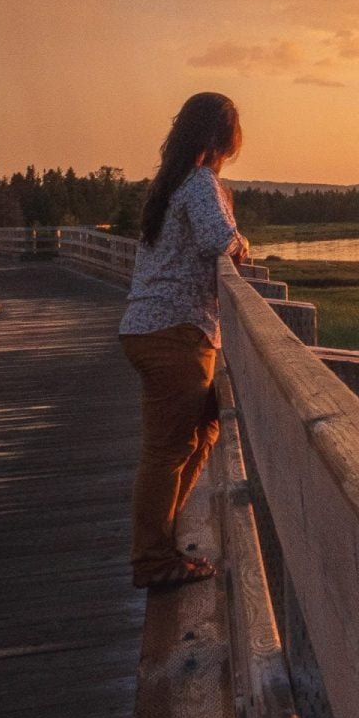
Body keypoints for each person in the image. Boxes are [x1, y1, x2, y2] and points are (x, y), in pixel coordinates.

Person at [118, 92, 249, 590]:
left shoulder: (170, 183)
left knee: (202, 432)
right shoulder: (198, 183)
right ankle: (153, 561)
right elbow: (221, 242)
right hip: (175, 332)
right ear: (224, 137)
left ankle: (163, 545)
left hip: (155, 328)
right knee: (166, 451)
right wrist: (244, 243)